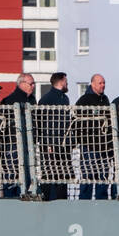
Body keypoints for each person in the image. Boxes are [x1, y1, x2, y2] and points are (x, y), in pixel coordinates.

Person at [74, 74, 114, 199]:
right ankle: (84, 204)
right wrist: (83, 139)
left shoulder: (105, 99)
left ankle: (101, 202)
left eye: (104, 83)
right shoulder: (84, 100)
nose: (103, 85)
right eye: (100, 83)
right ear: (92, 84)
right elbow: (77, 122)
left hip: (104, 147)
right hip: (89, 146)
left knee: (103, 177)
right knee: (88, 176)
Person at [37, 72, 72, 200]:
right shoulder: (47, 99)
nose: (67, 83)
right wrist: (48, 144)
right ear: (61, 81)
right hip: (51, 145)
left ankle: (62, 201)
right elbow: (42, 124)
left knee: (63, 175)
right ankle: (49, 201)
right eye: (66, 81)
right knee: (50, 174)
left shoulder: (64, 98)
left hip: (63, 145)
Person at [0, 74, 35, 196]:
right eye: (31, 84)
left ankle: (23, 194)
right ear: (22, 84)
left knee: (28, 172)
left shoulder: (31, 100)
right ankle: (10, 198)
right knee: (12, 173)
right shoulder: (10, 100)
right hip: (13, 143)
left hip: (28, 143)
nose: (33, 86)